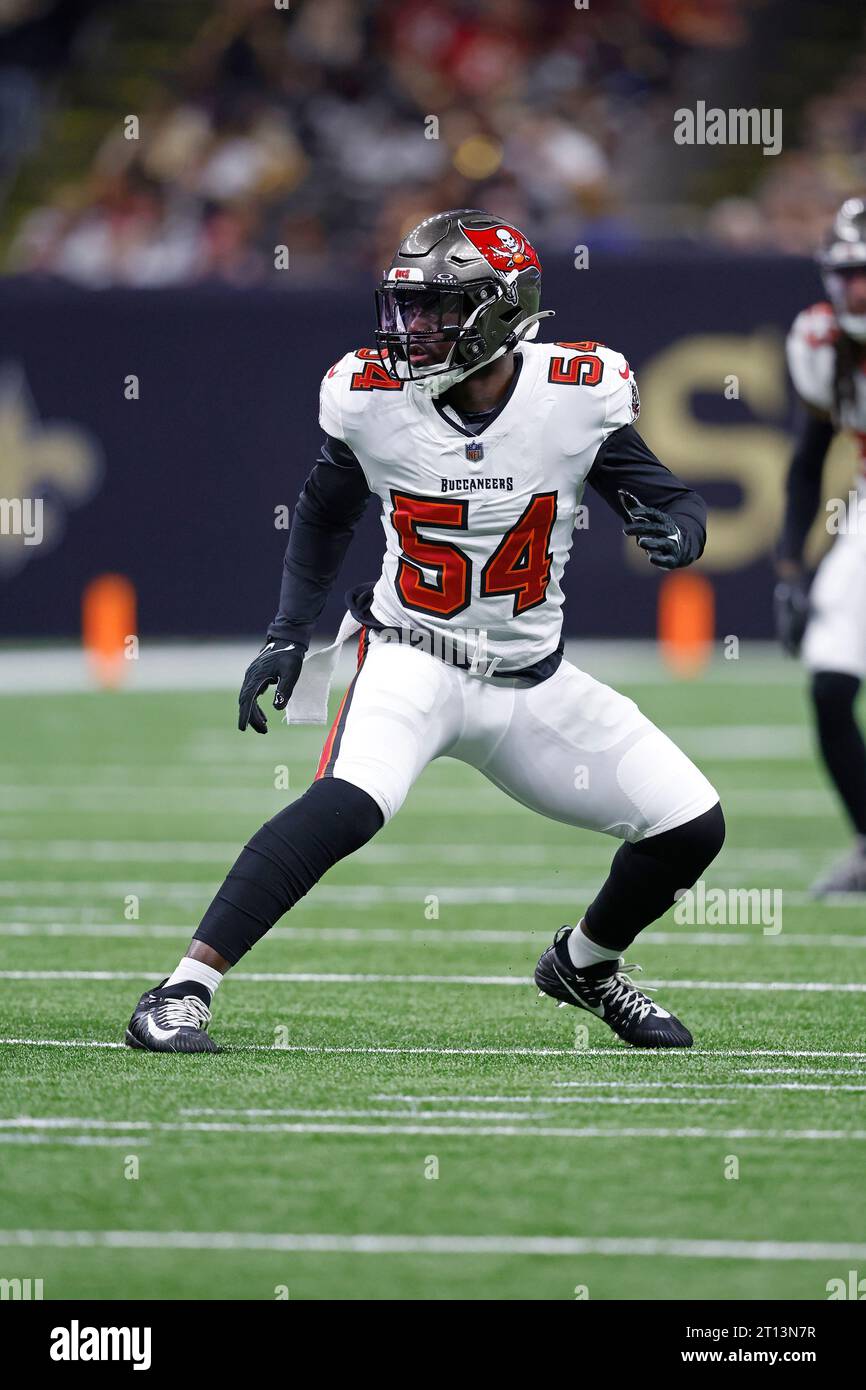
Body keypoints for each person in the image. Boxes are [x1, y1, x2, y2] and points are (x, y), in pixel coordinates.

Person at [125, 208, 724, 1054]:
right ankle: (181, 989)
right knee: (348, 803)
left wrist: (682, 533)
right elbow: (324, 516)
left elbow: (668, 495)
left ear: (500, 313)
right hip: (411, 654)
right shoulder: (371, 399)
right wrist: (288, 631)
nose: (414, 329)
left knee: (692, 824)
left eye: (439, 309)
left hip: (529, 680)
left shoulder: (577, 392)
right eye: (409, 307)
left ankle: (585, 966)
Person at [775, 196, 866, 895]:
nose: (857, 288)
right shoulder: (818, 344)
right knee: (830, 682)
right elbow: (808, 464)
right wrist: (790, 567)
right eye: (847, 273)